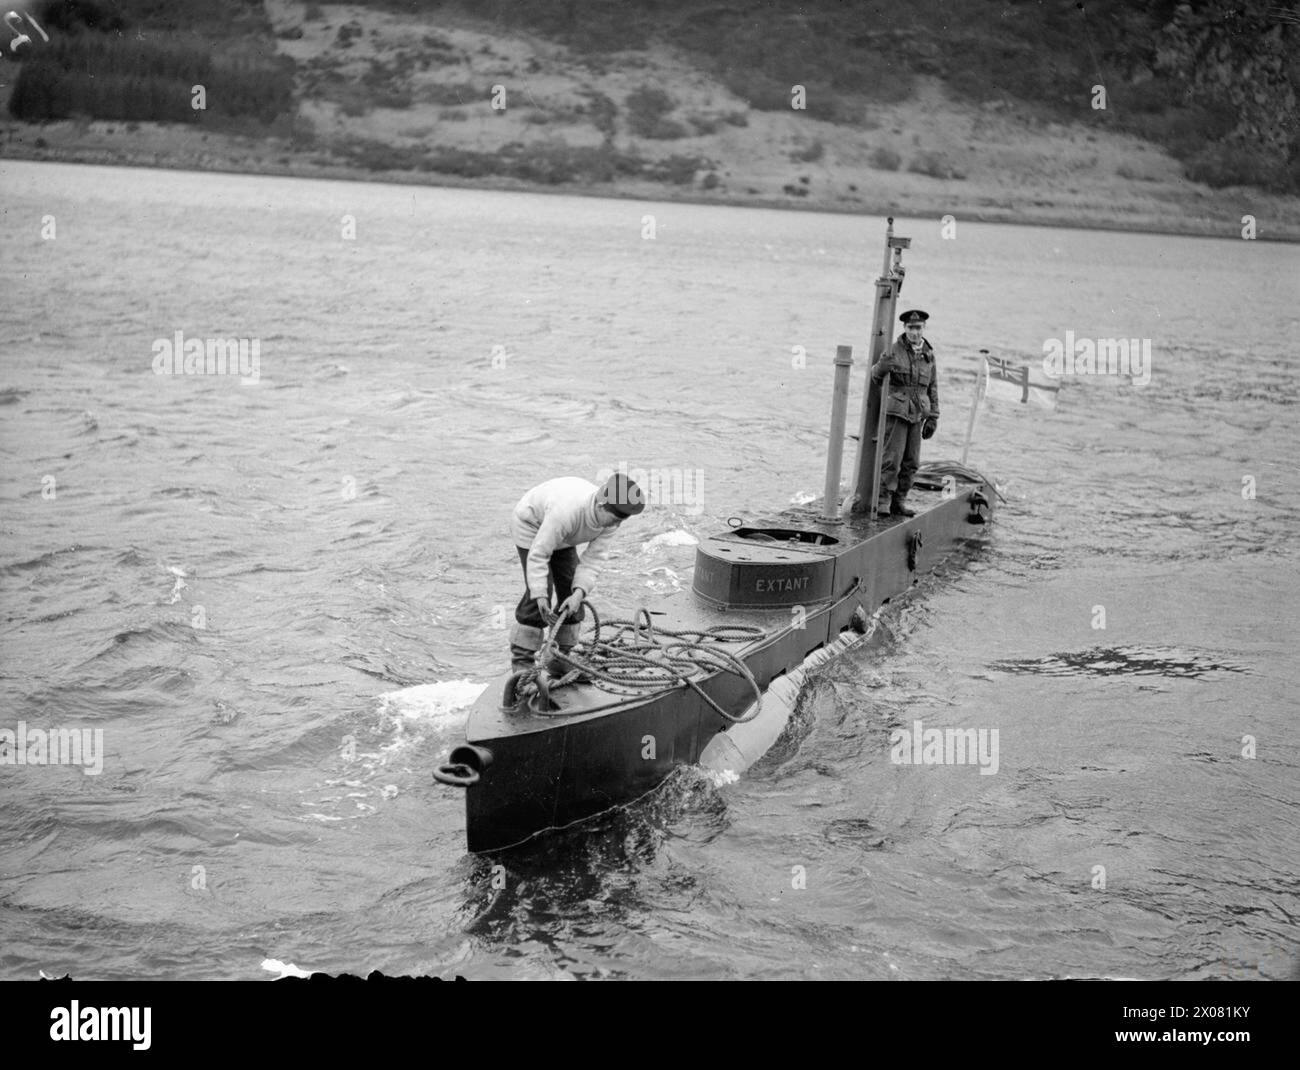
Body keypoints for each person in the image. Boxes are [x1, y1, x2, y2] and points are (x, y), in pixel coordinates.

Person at [508, 473, 645, 673]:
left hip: (564, 535)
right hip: (530, 525)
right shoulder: (566, 511)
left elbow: (593, 560)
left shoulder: (611, 518)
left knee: (571, 597)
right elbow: (539, 553)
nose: (615, 526)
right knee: (539, 596)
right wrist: (539, 594)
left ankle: (558, 658)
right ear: (600, 506)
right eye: (614, 520)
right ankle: (522, 663)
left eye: (620, 522)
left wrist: (578, 593)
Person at [871, 308, 939, 517]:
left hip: (918, 414)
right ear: (904, 328)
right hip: (898, 412)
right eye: (911, 328)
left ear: (923, 328)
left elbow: (933, 387)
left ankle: (898, 502)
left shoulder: (928, 355)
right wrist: (882, 367)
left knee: (911, 462)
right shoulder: (894, 351)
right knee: (892, 459)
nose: (915, 332)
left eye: (918, 328)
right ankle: (883, 501)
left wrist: (933, 417)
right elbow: (875, 376)